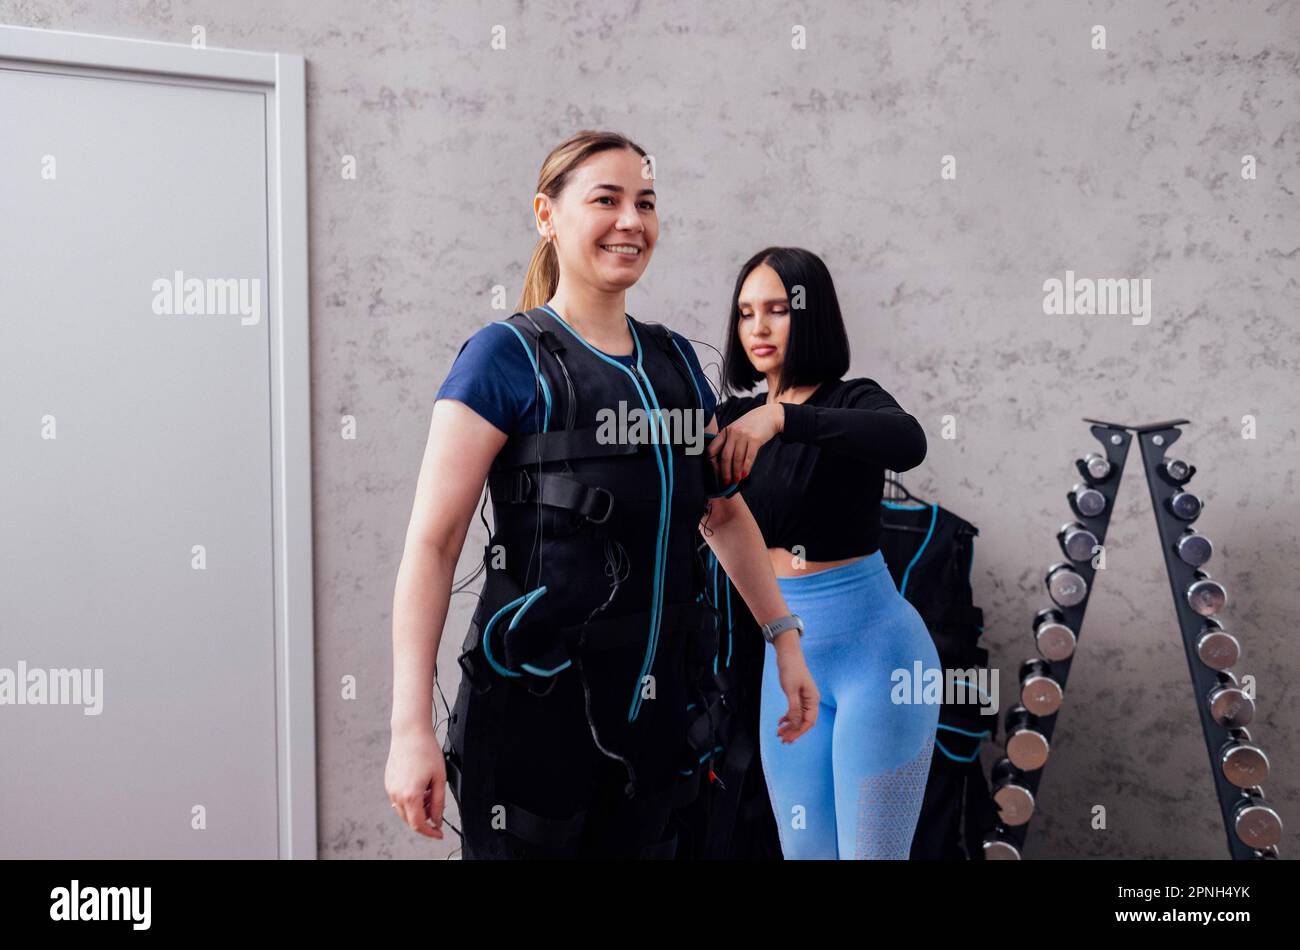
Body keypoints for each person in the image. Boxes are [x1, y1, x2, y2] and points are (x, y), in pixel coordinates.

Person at [384, 131, 819, 859]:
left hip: (662, 727)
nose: (632, 221)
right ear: (547, 215)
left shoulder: (678, 360)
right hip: (532, 723)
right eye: (606, 200)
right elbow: (432, 543)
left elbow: (720, 510)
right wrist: (408, 729)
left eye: (645, 203)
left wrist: (785, 638)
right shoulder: (504, 357)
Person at [706, 246, 942, 859]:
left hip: (880, 660)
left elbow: (908, 441)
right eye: (746, 313)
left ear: (810, 316)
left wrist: (783, 418)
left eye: (777, 310)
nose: (758, 328)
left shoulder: (852, 400)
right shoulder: (728, 419)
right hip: (786, 663)